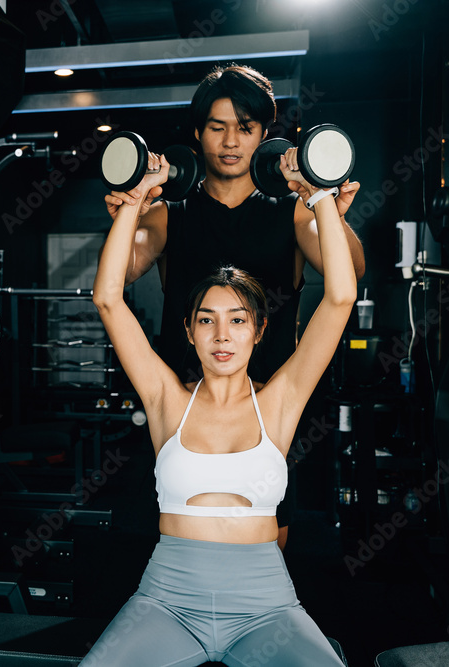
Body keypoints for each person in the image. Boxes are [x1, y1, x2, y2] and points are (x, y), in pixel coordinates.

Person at [82, 146, 355, 666]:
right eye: (206, 319)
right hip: (167, 602)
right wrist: (136, 203)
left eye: (237, 320)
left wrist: (318, 195)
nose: (222, 335)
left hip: (265, 607)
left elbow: (340, 297)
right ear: (188, 331)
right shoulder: (167, 402)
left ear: (258, 331)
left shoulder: (281, 402)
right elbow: (108, 299)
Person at [103, 65, 365, 547]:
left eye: (244, 128)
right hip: (180, 404)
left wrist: (327, 210)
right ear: (198, 134)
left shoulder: (292, 210)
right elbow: (117, 280)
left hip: (269, 405)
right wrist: (128, 216)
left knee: (264, 536)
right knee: (175, 530)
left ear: (264, 135)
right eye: (217, 127)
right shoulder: (167, 212)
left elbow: (348, 273)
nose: (230, 141)